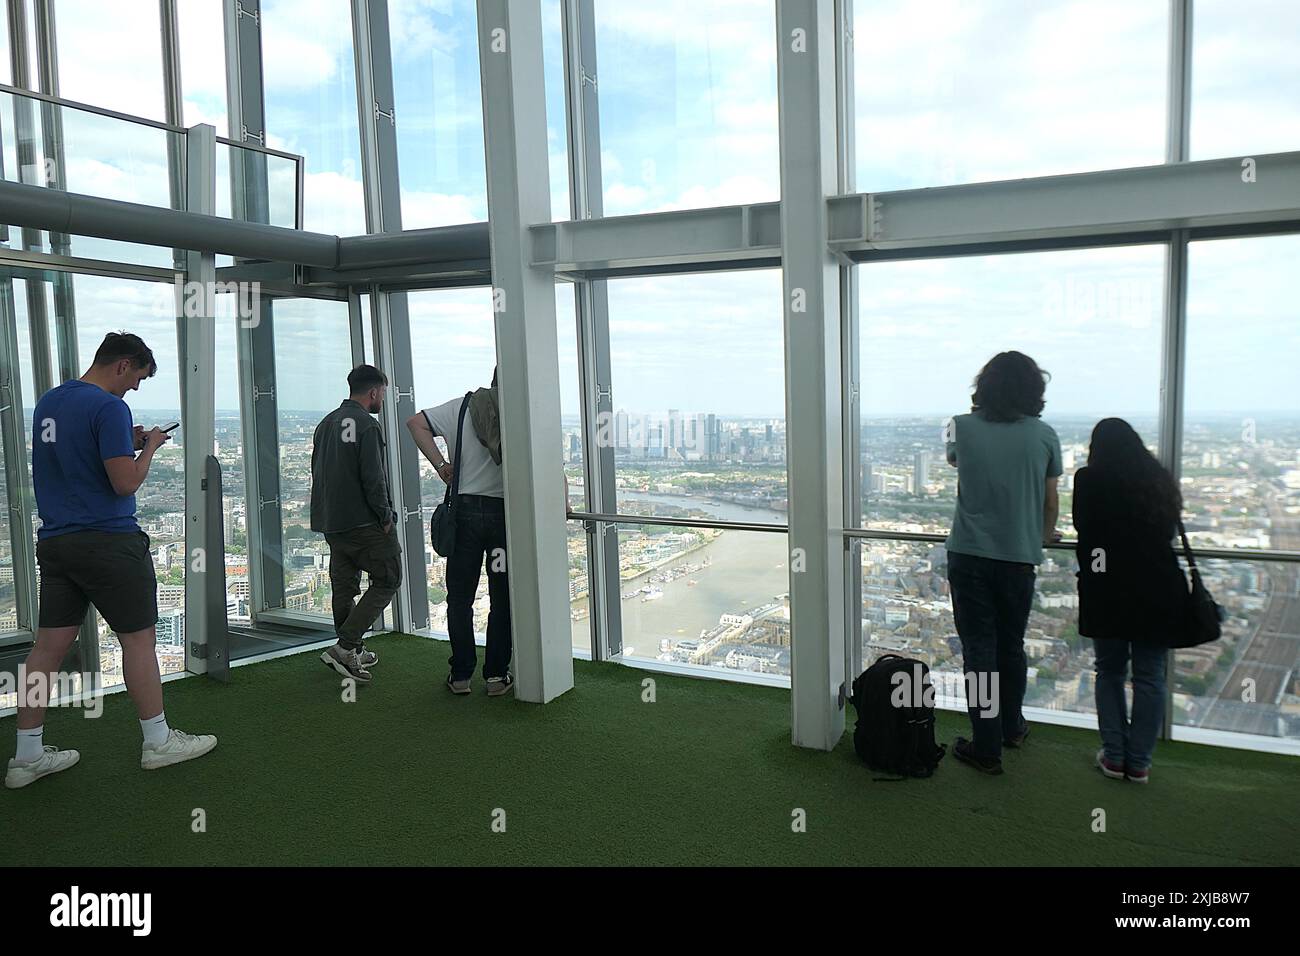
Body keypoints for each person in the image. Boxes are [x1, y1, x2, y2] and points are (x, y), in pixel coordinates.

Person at [6, 332, 217, 790]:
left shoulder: (50, 402)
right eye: (138, 377)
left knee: (46, 649)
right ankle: (158, 742)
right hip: (108, 542)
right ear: (123, 365)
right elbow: (124, 483)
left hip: (58, 543)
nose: (135, 389)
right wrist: (150, 447)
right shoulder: (109, 407)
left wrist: (127, 438)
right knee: (138, 643)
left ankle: (26, 756)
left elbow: (73, 453)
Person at [944, 350, 1062, 775]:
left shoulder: (961, 426)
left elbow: (955, 460)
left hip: (969, 554)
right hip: (1018, 558)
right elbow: (1050, 502)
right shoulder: (1045, 435)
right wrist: (1043, 536)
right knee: (1011, 647)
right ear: (1036, 391)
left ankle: (986, 744)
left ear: (984, 387)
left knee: (979, 652)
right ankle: (1012, 727)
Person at [1074, 419, 1184, 784]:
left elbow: (1085, 530)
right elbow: (1167, 532)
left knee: (1109, 671)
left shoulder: (1089, 480)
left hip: (1107, 589)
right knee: (1150, 676)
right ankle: (1139, 762)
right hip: (1157, 588)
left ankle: (1115, 756)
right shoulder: (1159, 480)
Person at [407, 372, 512, 697]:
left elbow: (415, 423)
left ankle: (461, 674)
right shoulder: (517, 412)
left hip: (465, 516)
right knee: (502, 599)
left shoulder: (462, 407)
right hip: (502, 518)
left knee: (461, 598)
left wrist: (441, 465)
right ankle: (495, 676)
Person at [311, 365, 402, 684]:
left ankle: (351, 649)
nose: (382, 400)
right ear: (374, 392)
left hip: (333, 522)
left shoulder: (326, 424)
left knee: (345, 585)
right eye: (383, 394)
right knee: (388, 578)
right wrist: (385, 516)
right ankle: (345, 646)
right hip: (365, 523)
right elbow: (374, 478)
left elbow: (317, 473)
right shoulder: (366, 425)